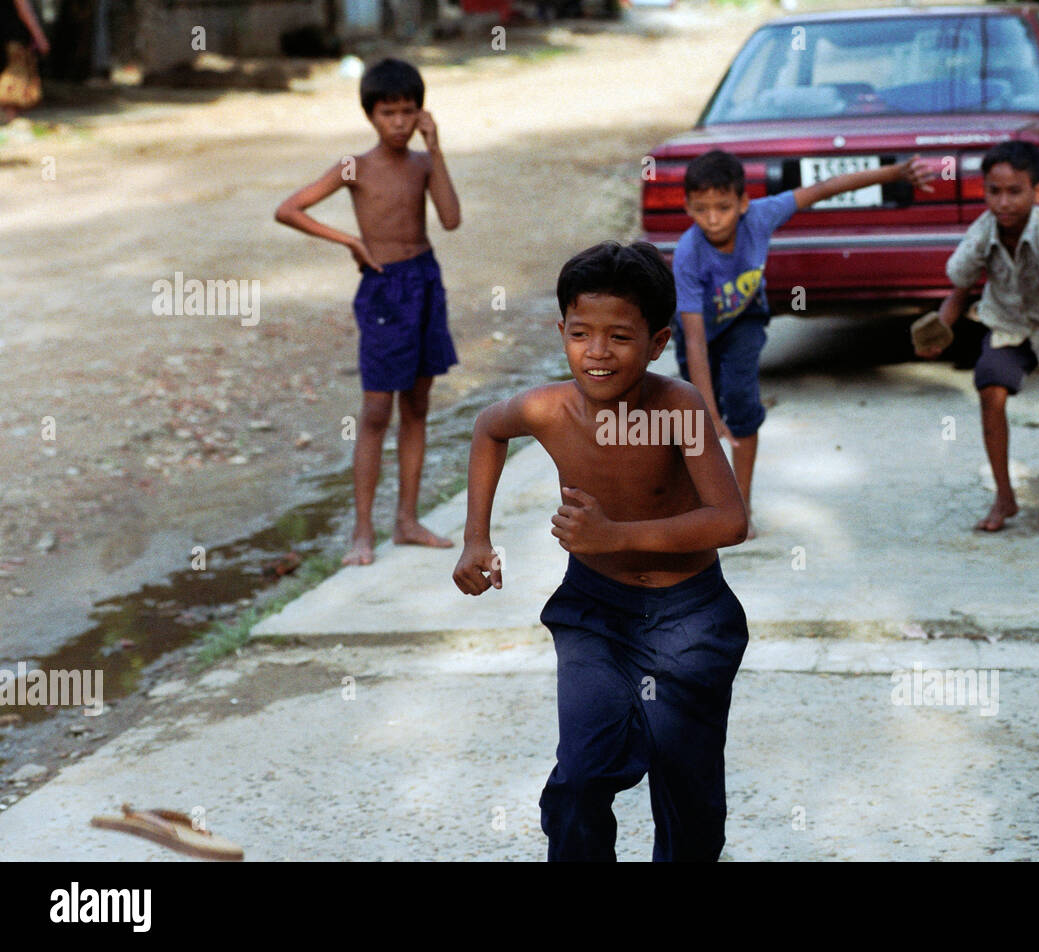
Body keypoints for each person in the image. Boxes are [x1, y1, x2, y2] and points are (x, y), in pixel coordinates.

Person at [453, 241, 750, 861]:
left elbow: (730, 519)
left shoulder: (677, 409)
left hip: (690, 619)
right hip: (594, 614)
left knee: (687, 795)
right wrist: (476, 537)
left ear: (658, 341)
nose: (597, 352)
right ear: (561, 331)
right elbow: (487, 427)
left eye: (619, 336)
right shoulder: (547, 409)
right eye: (581, 333)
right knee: (582, 776)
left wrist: (616, 535)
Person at [673, 149, 934, 537]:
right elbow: (694, 340)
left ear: (743, 203)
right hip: (697, 333)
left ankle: (741, 508)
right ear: (688, 207)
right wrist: (708, 411)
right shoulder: (687, 255)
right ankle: (696, 501)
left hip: (744, 320)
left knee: (742, 403)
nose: (713, 219)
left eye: (723, 207)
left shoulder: (761, 215)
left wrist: (897, 171)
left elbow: (825, 187)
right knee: (694, 417)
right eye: (701, 209)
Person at [275, 58, 461, 566]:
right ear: (370, 115)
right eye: (387, 113)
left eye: (407, 112)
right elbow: (288, 208)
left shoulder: (424, 164)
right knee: (377, 411)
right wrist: (350, 241)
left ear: (420, 113)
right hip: (383, 290)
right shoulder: (354, 166)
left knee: (418, 406)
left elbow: (450, 219)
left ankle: (406, 520)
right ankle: (362, 530)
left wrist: (436, 147)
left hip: (424, 279)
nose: (398, 122)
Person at [916, 140, 1039, 531]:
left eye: (1014, 191)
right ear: (984, 190)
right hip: (1007, 325)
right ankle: (1004, 498)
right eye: (994, 191)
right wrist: (940, 331)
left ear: (1038, 193)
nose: (1003, 202)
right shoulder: (983, 231)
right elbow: (960, 289)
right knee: (991, 389)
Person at [0, 0, 49, 123]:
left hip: (8, 37)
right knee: (15, 85)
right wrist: (40, 38)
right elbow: (24, 10)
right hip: (14, 38)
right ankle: (9, 120)